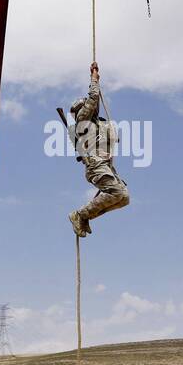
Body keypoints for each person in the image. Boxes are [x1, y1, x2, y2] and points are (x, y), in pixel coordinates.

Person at [68, 61, 129, 238]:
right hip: (96, 165)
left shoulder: (94, 122)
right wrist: (94, 78)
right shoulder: (82, 118)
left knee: (124, 198)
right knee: (116, 192)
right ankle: (79, 215)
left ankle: (86, 216)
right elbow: (94, 97)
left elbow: (95, 102)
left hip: (105, 164)